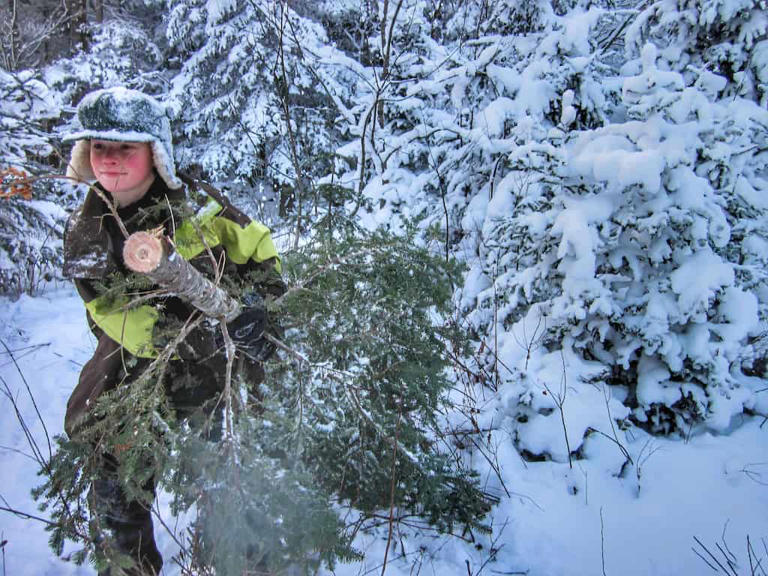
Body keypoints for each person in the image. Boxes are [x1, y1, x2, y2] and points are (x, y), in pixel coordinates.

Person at [61, 87, 284, 575]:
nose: (111, 159)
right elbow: (114, 317)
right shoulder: (86, 230)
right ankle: (128, 563)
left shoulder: (199, 207)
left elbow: (258, 250)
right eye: (100, 147)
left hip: (218, 362)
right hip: (134, 365)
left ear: (156, 154)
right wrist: (202, 330)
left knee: (231, 461)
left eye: (126, 147)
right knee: (110, 452)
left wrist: (258, 305)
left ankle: (242, 559)